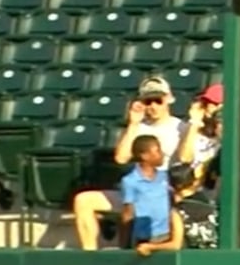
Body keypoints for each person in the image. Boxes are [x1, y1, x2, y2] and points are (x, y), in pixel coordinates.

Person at [71, 75, 188, 250]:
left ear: (169, 99)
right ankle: (90, 254)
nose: (153, 106)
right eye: (148, 101)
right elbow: (121, 158)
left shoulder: (181, 128)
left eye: (158, 100)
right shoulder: (139, 128)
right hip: (136, 190)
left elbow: (186, 159)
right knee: (83, 200)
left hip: (164, 192)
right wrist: (133, 123)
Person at [120, 134, 182, 256]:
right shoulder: (130, 181)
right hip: (144, 238)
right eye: (157, 151)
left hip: (167, 236)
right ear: (144, 156)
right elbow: (128, 213)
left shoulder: (165, 176)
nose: (162, 154)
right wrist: (125, 244)